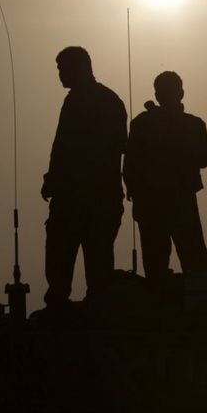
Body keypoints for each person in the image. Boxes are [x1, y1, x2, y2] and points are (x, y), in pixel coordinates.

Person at [41, 46, 127, 306]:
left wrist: (63, 178)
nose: (60, 75)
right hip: (87, 196)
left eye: (62, 69)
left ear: (79, 67)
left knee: (92, 262)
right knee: (67, 259)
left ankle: (80, 310)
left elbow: (110, 147)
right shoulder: (99, 99)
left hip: (90, 198)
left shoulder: (102, 101)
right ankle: (71, 307)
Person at [123, 71, 207, 283]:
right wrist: (134, 191)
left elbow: (204, 158)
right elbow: (131, 162)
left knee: (193, 260)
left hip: (178, 199)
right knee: (157, 263)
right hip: (154, 202)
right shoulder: (143, 124)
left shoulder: (192, 124)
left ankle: (200, 305)